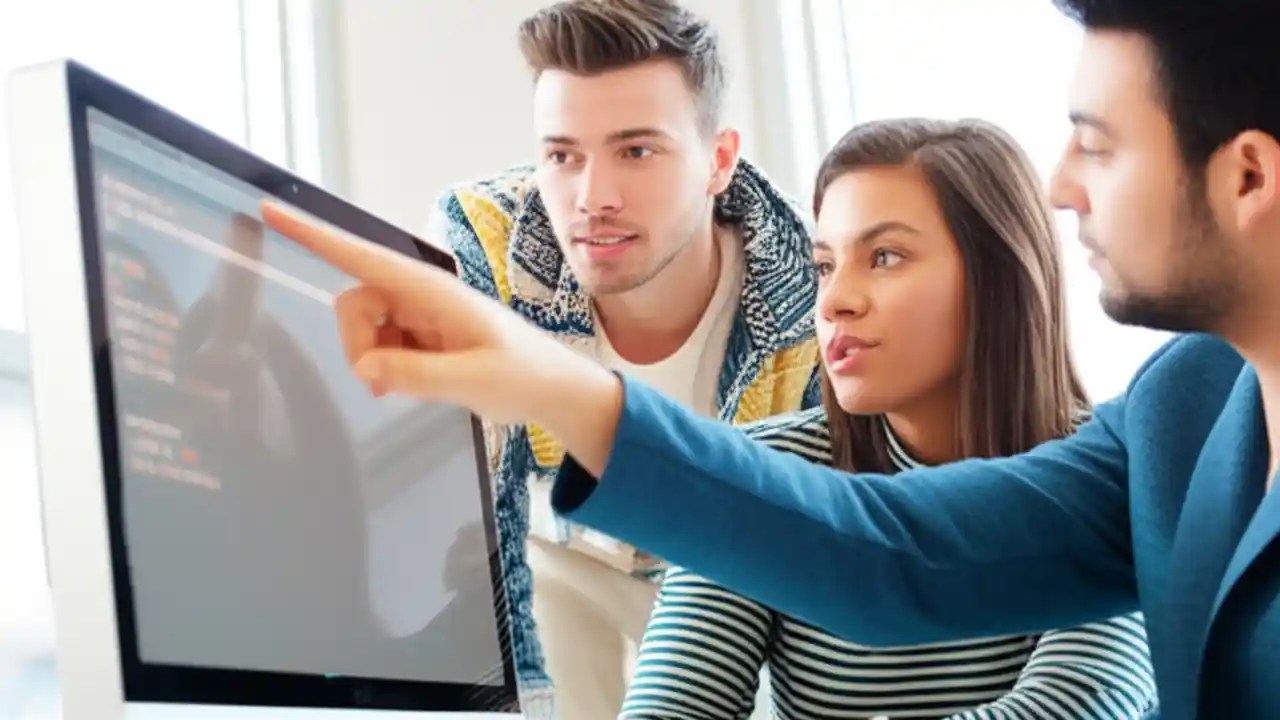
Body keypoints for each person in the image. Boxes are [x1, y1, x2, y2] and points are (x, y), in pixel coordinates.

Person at [258, 1, 1280, 717]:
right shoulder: (1177, 416)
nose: (1061, 185)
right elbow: (883, 551)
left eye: (1096, 146)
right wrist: (543, 379)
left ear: (1245, 177)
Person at [621, 118, 1155, 720]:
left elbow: (1080, 707)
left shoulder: (1117, 478)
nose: (834, 301)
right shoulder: (755, 475)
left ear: (997, 278)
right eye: (825, 265)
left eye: (885, 256)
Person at [423, 1, 820, 716]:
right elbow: (460, 507)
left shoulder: (808, 293)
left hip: (743, 589)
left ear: (719, 160)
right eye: (563, 155)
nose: (592, 198)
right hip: (562, 564)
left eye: (637, 151)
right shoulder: (484, 247)